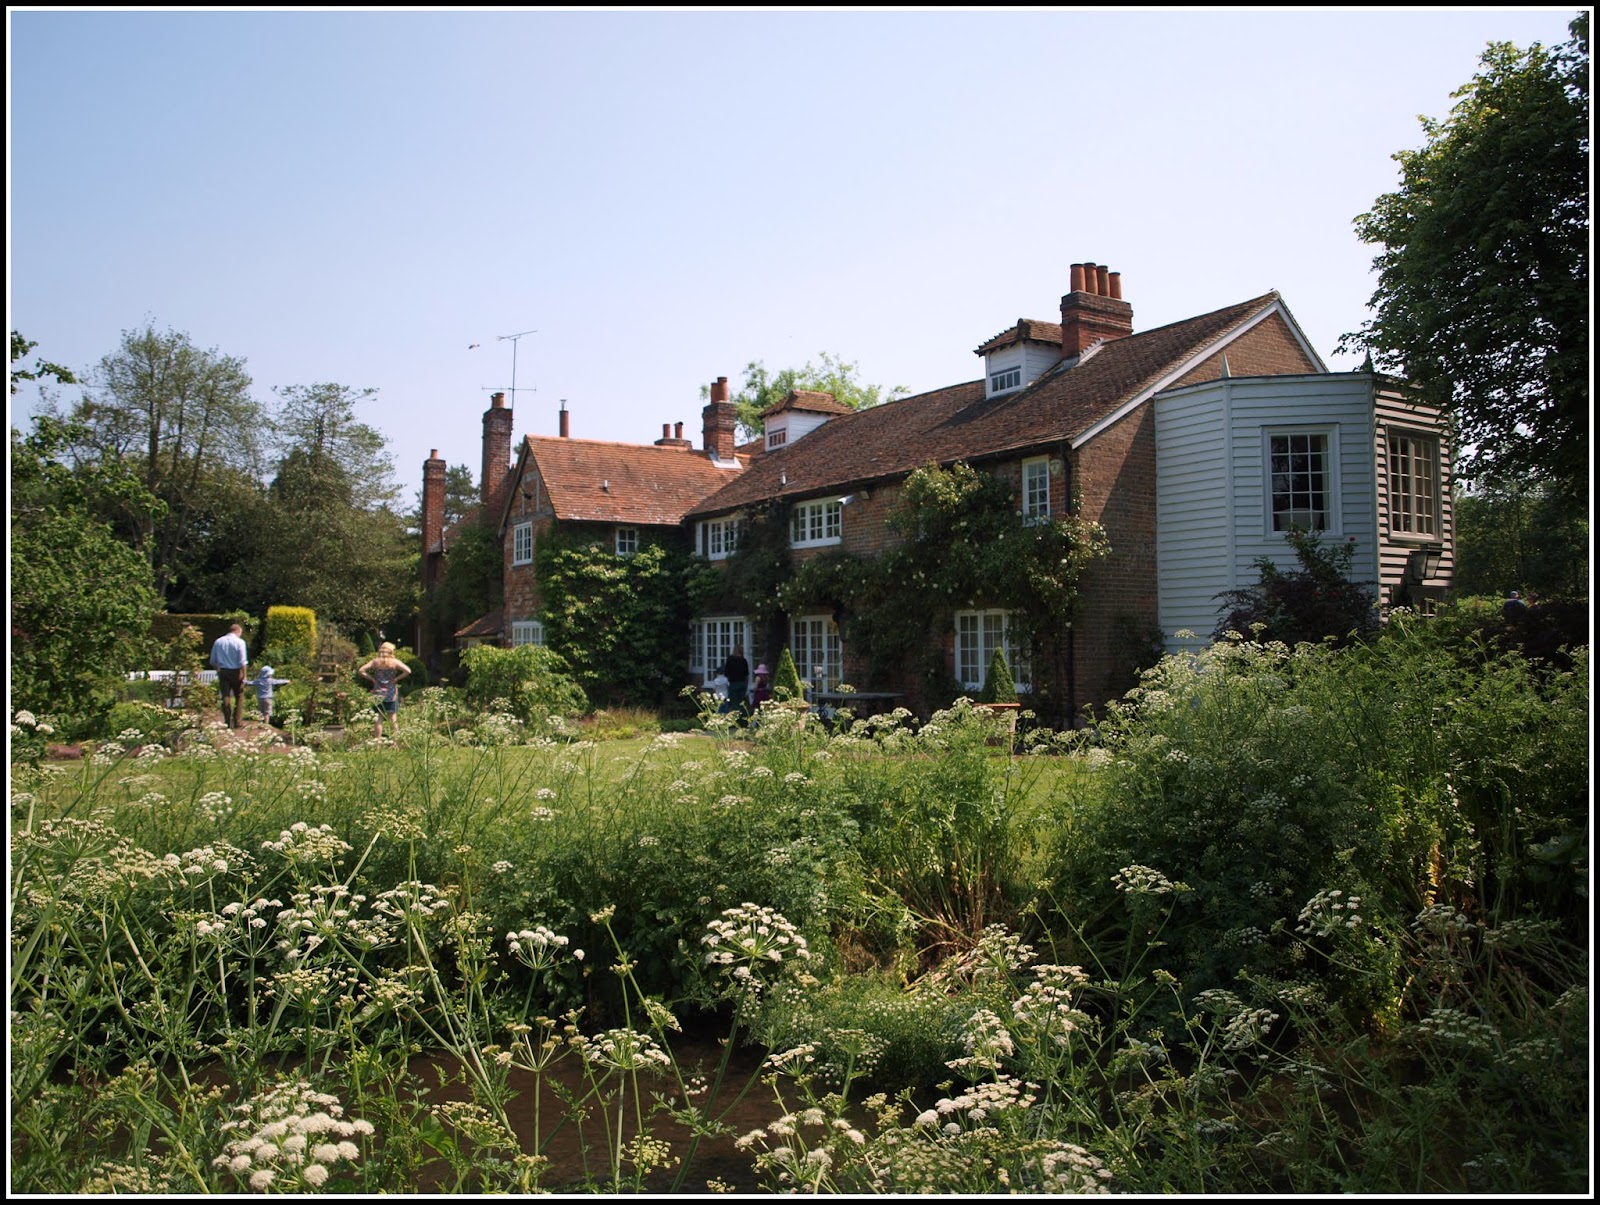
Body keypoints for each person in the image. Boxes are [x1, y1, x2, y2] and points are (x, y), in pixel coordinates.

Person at [358, 642, 412, 740]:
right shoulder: (394, 662)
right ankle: (396, 742)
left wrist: (372, 679)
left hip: (378, 691)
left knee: (379, 718)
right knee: (393, 719)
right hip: (391, 692)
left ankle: (377, 742)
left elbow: (361, 670)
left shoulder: (375, 662)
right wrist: (396, 679)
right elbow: (408, 671)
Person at [208, 623, 249, 729]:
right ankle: (237, 721)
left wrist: (218, 669)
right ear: (237, 631)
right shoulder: (240, 642)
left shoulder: (218, 641)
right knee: (239, 696)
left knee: (225, 696)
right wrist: (244, 675)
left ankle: (227, 721)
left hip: (223, 671)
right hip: (236, 671)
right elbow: (243, 661)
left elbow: (212, 660)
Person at [719, 644, 750, 713]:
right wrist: (746, 685)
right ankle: (743, 720)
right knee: (741, 704)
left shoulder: (730, 659)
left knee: (734, 704)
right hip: (742, 684)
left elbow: (726, 673)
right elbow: (746, 675)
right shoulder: (744, 660)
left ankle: (735, 719)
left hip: (733, 684)